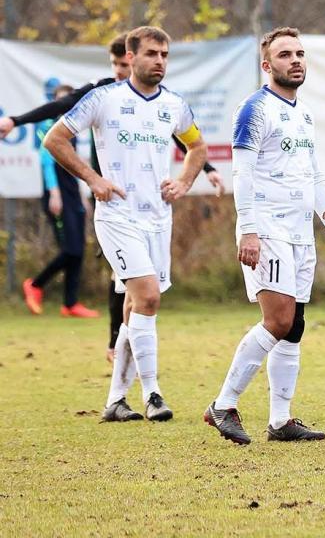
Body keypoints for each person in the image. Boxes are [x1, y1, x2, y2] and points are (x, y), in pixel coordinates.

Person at [2, 34, 225, 361]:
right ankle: (109, 339)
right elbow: (59, 111)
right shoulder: (102, 93)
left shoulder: (161, 101)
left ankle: (114, 344)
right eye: (117, 64)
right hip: (109, 196)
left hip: (146, 204)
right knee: (124, 275)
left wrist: (204, 168)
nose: (121, 70)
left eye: (124, 64)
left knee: (126, 280)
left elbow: (172, 134)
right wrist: (17, 120)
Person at [42, 26, 208, 422]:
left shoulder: (174, 105)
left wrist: (184, 180)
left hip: (157, 218)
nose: (160, 61)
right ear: (130, 57)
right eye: (152, 53)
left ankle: (116, 400)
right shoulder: (104, 99)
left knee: (139, 304)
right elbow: (55, 139)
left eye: (165, 55)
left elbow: (197, 147)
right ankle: (153, 395)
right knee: (147, 296)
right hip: (117, 216)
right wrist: (93, 178)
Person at [204, 28, 325, 444]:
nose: (296, 60)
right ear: (267, 65)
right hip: (267, 229)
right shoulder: (254, 109)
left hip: (301, 231)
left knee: (295, 324)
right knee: (278, 319)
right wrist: (248, 229)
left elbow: (313, 171)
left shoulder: (303, 113)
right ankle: (223, 405)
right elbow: (242, 172)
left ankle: (281, 420)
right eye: (285, 55)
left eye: (301, 53)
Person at [21, 83, 98, 317]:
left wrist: (82, 196)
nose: (67, 105)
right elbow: (47, 161)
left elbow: (74, 164)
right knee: (70, 249)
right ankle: (35, 285)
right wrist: (54, 193)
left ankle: (70, 304)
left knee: (78, 251)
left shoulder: (74, 128)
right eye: (62, 101)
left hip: (72, 194)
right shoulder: (49, 126)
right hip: (58, 196)